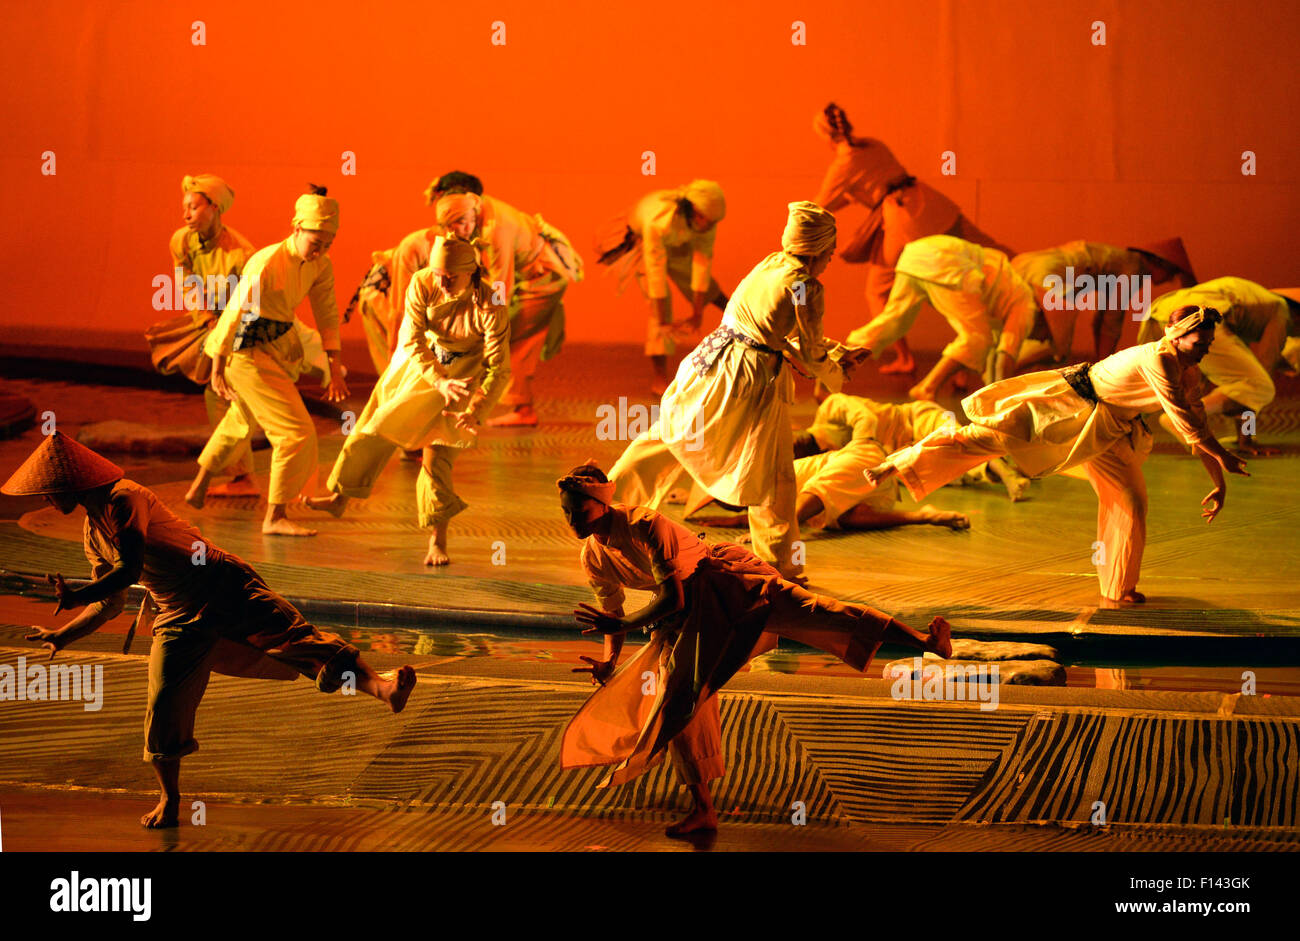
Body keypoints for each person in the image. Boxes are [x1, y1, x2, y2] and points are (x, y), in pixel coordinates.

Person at [5, 432, 415, 829]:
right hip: (177, 613)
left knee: (298, 642)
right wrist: (64, 634)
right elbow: (109, 602)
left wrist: (78, 594)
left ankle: (384, 689)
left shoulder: (124, 498)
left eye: (48, 491)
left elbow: (128, 569)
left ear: (70, 484)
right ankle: (170, 797)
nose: (45, 498)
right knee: (165, 704)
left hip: (221, 582)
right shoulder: (93, 534)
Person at [556, 464, 951, 836]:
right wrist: (610, 658)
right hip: (685, 619)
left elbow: (672, 598)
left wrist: (623, 625)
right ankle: (703, 808)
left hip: (728, 585)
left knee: (819, 611)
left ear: (603, 503)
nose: (573, 521)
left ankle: (925, 641)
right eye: (567, 513)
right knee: (680, 701)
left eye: (580, 511)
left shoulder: (644, 524)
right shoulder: (592, 555)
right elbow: (610, 613)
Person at [863, 306, 1249, 606]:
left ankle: (1119, 587)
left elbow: (1197, 425)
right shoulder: (1159, 359)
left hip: (1110, 430)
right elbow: (1185, 421)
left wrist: (1219, 481)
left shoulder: (1189, 372)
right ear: (1176, 336)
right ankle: (899, 463)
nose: (1205, 350)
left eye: (1208, 343)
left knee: (1131, 503)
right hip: (1069, 405)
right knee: (986, 437)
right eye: (1199, 343)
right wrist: (1225, 458)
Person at [608, 201, 868, 581]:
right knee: (773, 477)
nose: (831, 257)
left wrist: (837, 353)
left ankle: (605, 500)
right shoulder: (805, 286)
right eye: (830, 249)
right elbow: (808, 351)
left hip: (712, 359)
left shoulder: (770, 264)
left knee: (674, 433)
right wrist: (837, 368)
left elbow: (772, 330)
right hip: (748, 378)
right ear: (819, 249)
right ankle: (779, 569)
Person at [303, 236, 510, 566]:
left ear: (469, 273)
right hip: (420, 364)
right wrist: (437, 379)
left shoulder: (489, 303)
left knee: (437, 457)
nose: (441, 283)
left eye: (450, 277)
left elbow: (499, 367)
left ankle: (437, 539)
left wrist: (476, 410)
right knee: (374, 427)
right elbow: (412, 339)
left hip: (462, 376)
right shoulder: (422, 281)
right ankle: (340, 496)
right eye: (438, 274)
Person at [144, 175, 331, 498]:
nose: (186, 214)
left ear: (215, 208)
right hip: (211, 323)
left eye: (194, 207)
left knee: (233, 401)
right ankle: (236, 476)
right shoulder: (182, 241)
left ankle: (241, 478)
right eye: (184, 207)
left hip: (243, 330)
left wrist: (227, 341)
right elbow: (186, 282)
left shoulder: (242, 254)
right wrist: (206, 318)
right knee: (226, 401)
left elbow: (251, 306)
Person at [185, 186, 350, 536]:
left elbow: (327, 314)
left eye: (327, 244)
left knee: (239, 420)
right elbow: (235, 311)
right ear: (296, 229)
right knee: (295, 432)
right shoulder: (267, 261)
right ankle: (275, 516)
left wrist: (334, 368)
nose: (320, 250)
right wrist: (217, 365)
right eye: (315, 242)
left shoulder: (320, 264)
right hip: (244, 354)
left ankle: (199, 485)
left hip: (276, 348)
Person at [813, 102, 1016, 375]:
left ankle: (905, 357)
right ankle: (1036, 274)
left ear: (826, 136)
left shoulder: (844, 164)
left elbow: (820, 205)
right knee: (991, 249)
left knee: (879, 291)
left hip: (906, 220)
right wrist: (853, 195)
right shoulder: (874, 145)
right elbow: (875, 181)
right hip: (931, 203)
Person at [698, 393, 1028, 535]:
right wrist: (734, 521)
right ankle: (930, 511)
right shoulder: (818, 458)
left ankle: (1004, 468)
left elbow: (866, 418)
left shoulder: (831, 408)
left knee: (952, 440)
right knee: (844, 515)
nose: (794, 446)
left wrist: (862, 443)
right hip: (890, 461)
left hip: (909, 420)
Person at [429, 189, 581, 427]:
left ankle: (518, 408)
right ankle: (512, 405)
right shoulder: (482, 211)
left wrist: (493, 320)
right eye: (451, 225)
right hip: (532, 278)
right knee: (507, 340)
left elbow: (502, 283)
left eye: (460, 222)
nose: (458, 229)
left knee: (510, 339)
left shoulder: (495, 229)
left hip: (543, 279)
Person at [846, 234, 1038, 401]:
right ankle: (927, 387)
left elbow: (989, 356)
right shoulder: (1026, 304)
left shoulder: (1009, 286)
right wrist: (1003, 398)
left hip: (914, 256)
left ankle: (840, 359)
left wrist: (966, 376)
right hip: (946, 263)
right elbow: (1005, 356)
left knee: (893, 321)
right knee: (977, 337)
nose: (1043, 339)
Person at [596, 180, 730, 394]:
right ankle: (660, 378)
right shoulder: (658, 222)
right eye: (708, 221)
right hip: (643, 242)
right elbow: (655, 270)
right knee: (659, 307)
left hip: (677, 243)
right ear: (695, 212)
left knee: (705, 287)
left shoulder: (706, 224)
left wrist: (697, 312)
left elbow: (702, 264)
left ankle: (740, 317)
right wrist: (662, 322)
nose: (710, 227)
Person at [1138, 276, 1298, 454]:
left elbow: (1245, 381)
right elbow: (1260, 378)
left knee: (1147, 385)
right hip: (1198, 316)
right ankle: (1183, 420)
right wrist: (1248, 437)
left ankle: (1120, 435)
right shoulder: (1280, 311)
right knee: (1261, 387)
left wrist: (1245, 440)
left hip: (1160, 313)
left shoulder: (1257, 305)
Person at [1011, 237, 1196, 367]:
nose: (1169, 279)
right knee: (1056, 346)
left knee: (1018, 327)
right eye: (1171, 273)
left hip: (1025, 263)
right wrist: (1105, 365)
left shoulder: (1121, 260)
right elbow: (1112, 319)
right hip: (1050, 273)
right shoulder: (1134, 268)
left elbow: (1102, 316)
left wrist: (1101, 361)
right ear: (1160, 263)